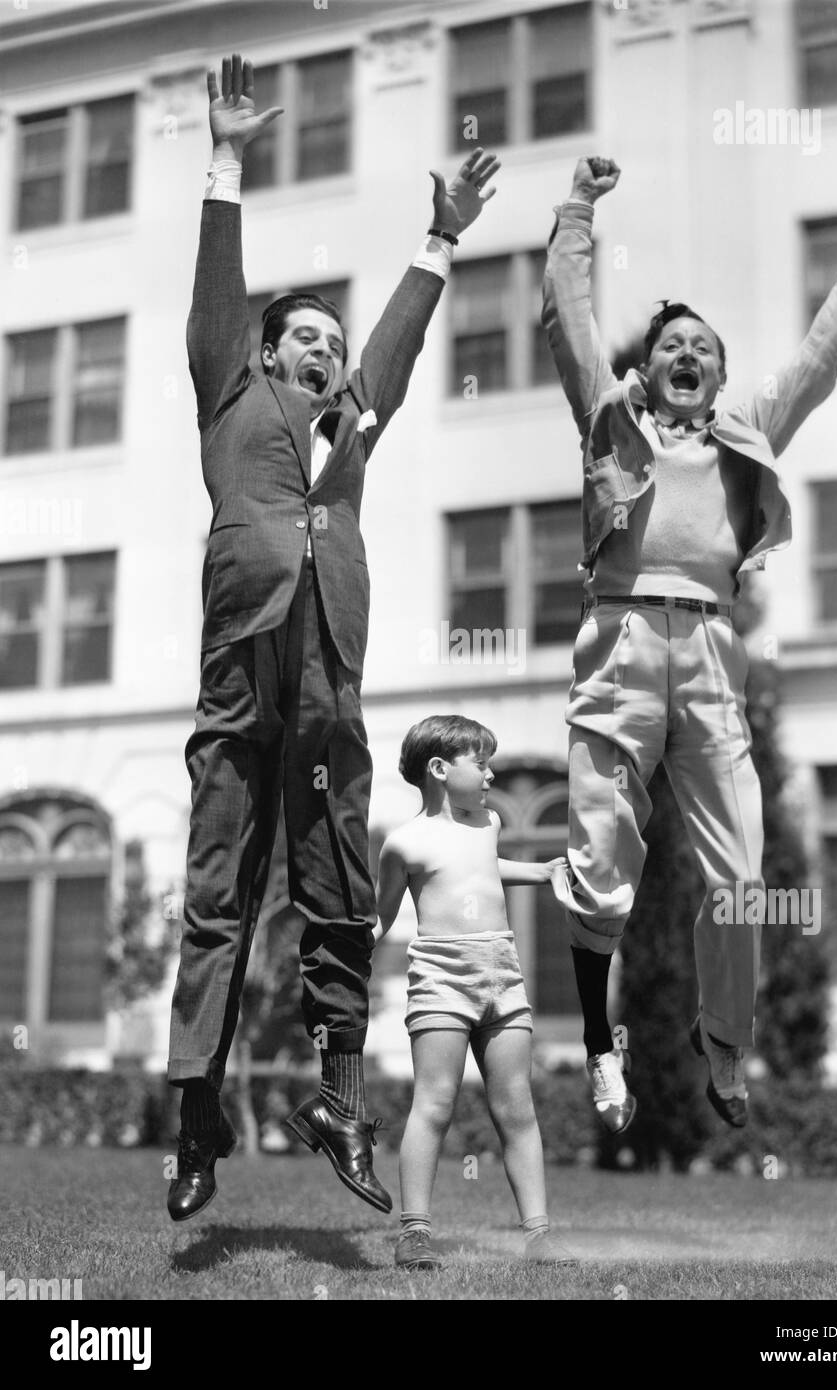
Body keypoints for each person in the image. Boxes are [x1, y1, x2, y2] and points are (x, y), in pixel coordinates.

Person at [166, 53, 500, 1223]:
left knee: (339, 894)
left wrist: (439, 238)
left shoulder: (349, 435)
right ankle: (195, 1117)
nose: (321, 349)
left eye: (330, 340)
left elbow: (398, 351)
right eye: (302, 336)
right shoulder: (227, 390)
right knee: (219, 898)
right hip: (240, 684)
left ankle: (339, 1102)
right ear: (264, 357)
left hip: (327, 698)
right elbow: (220, 289)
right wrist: (227, 157)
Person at [543, 156, 837, 1133]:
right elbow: (570, 313)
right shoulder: (606, 421)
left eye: (703, 345)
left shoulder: (746, 426)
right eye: (670, 344)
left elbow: (818, 362)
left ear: (721, 372)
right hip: (617, 644)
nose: (686, 353)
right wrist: (577, 210)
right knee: (600, 862)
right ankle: (597, 1045)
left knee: (740, 873)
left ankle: (724, 1048)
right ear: (647, 367)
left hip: (707, 655)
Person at [373, 715, 575, 1270]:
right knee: (434, 1104)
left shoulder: (486, 822)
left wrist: (541, 872)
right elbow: (383, 915)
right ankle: (415, 1232)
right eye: (480, 763)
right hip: (442, 978)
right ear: (439, 769)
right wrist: (349, 950)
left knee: (516, 1107)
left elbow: (482, 867)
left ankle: (539, 1235)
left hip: (502, 971)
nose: (489, 774)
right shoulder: (405, 842)